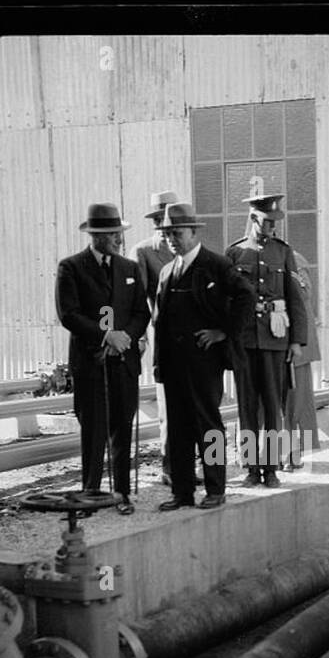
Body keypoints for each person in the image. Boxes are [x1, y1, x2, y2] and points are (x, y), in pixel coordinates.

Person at [152, 202, 255, 511]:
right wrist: (158, 363)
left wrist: (223, 332)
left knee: (208, 426)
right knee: (179, 430)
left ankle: (216, 489)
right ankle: (182, 493)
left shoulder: (217, 265)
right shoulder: (168, 271)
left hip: (204, 364)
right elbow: (159, 321)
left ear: (194, 232)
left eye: (177, 232)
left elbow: (246, 296)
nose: (172, 239)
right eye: (167, 233)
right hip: (174, 366)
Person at [55, 203, 149, 514]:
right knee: (94, 429)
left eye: (119, 233)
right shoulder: (71, 267)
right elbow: (69, 314)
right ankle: (91, 495)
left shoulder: (130, 268)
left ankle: (121, 494)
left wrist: (124, 339)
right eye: (111, 234)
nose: (118, 239)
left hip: (123, 361)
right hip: (90, 363)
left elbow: (141, 313)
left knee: (122, 426)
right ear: (94, 236)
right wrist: (105, 336)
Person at [225, 193, 308, 487]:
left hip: (275, 340)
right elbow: (226, 301)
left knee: (273, 406)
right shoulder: (234, 254)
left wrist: (297, 341)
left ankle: (270, 468)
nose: (273, 227)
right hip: (245, 341)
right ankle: (250, 468)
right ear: (253, 218)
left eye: (275, 222)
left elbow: (295, 298)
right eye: (267, 222)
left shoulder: (283, 252)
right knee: (247, 407)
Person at [132, 190, 182, 487]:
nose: (165, 230)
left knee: (193, 408)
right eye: (159, 222)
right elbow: (136, 301)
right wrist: (139, 338)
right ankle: (170, 468)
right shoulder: (143, 252)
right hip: (162, 340)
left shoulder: (188, 249)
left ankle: (191, 466)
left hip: (191, 343)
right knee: (168, 409)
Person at [284, 247, 321, 469]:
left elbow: (304, 294)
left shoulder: (294, 259)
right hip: (266, 346)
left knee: (297, 405)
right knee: (270, 407)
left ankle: (297, 454)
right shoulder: (243, 254)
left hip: (296, 345)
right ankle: (263, 456)